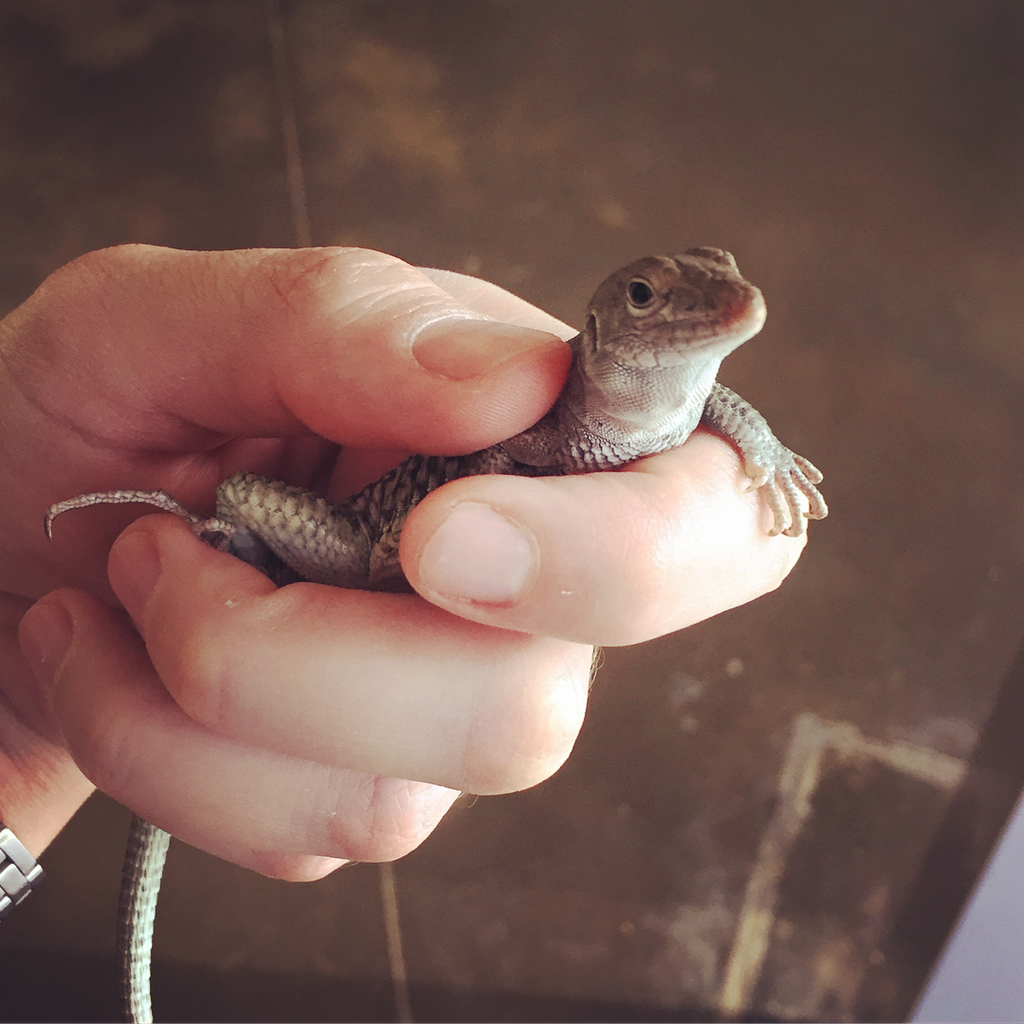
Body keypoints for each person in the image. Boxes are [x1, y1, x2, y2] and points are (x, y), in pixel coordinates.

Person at [0, 244, 806, 882]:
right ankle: (223, 537)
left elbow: (722, 409)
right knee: (242, 493)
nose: (725, 300)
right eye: (646, 295)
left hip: (389, 573)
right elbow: (501, 447)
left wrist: (765, 454)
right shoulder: (545, 399)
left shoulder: (690, 398)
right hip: (357, 543)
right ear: (600, 326)